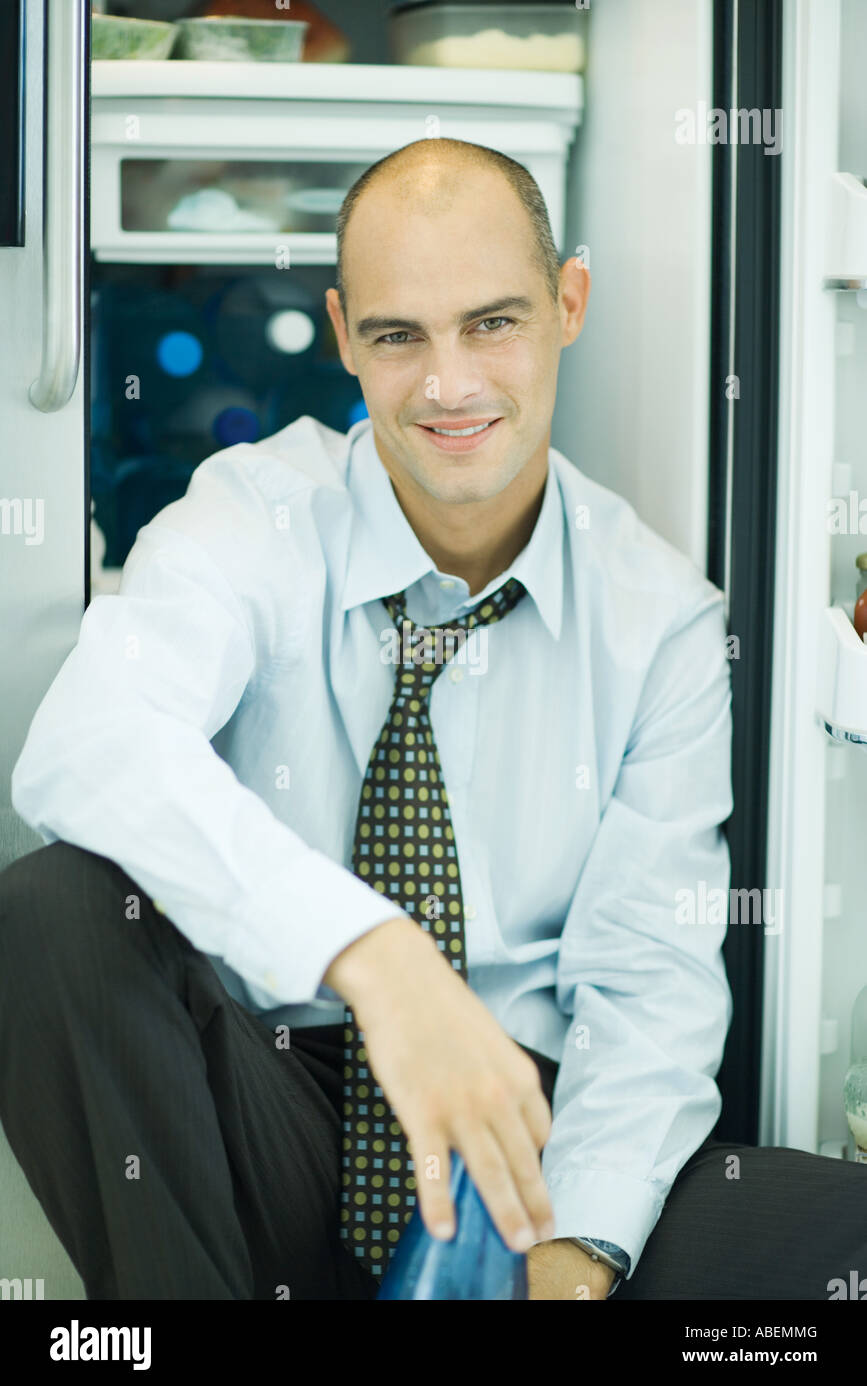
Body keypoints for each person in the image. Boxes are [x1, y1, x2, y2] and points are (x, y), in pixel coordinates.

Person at [0, 139, 863, 1301]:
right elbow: (90, 745)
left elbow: (647, 985)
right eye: (401, 335)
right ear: (346, 333)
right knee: (54, 907)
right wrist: (372, 956)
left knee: (834, 1244)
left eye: (492, 322)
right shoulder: (254, 516)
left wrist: (573, 1262)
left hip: (534, 1139)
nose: (449, 385)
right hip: (271, 1116)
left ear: (569, 304)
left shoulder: (661, 619)